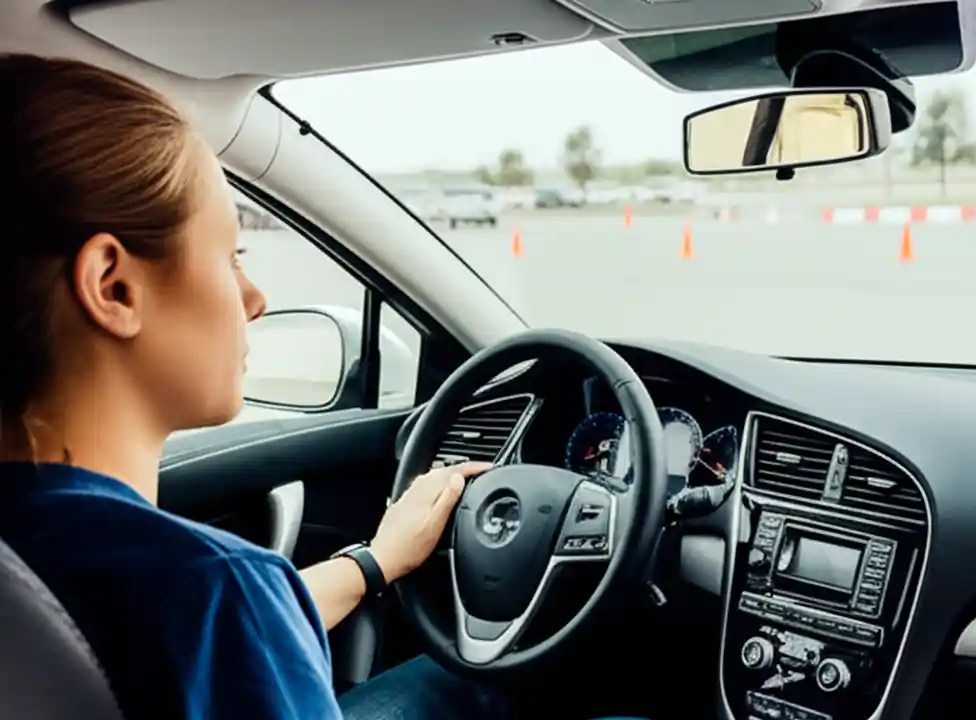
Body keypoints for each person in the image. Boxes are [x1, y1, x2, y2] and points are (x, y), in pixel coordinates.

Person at [0, 54, 635, 720]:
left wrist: (375, 561)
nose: (255, 298)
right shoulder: (212, 588)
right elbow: (220, 608)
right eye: (229, 257)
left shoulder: (141, 581)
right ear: (113, 286)